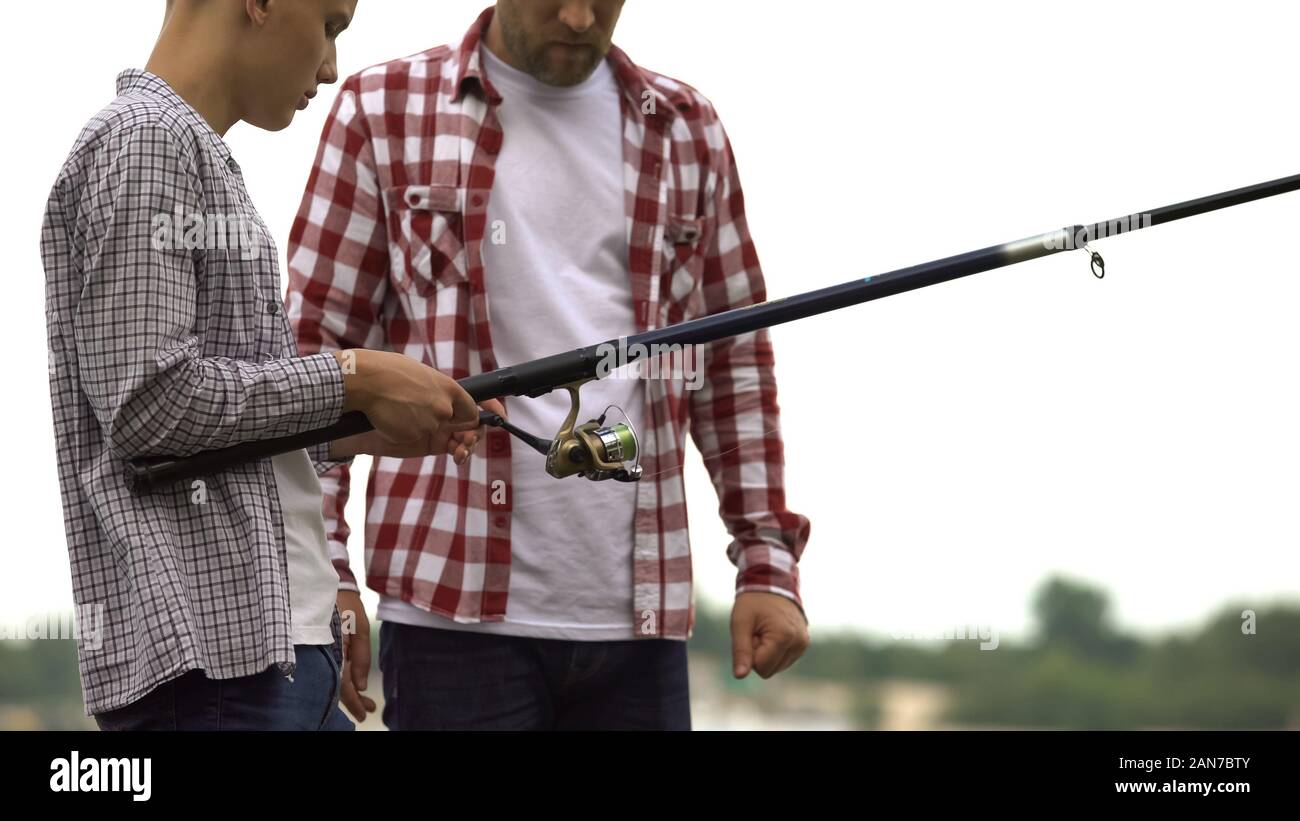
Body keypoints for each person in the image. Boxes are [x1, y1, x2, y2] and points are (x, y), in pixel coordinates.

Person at [288, 0, 811, 730]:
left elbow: (734, 365)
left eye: (603, 0)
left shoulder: (689, 130)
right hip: (449, 620)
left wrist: (768, 564)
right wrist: (326, 578)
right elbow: (315, 358)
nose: (576, 18)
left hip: (641, 629)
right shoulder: (383, 110)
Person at [41, 0, 492, 730]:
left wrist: (363, 426)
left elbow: (215, 427)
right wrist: (358, 376)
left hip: (273, 659)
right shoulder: (145, 140)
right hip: (218, 677)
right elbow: (149, 407)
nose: (330, 66)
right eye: (330, 24)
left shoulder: (184, 150)